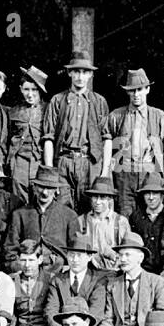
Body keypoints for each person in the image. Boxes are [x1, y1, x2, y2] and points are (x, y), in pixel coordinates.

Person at [42, 50, 110, 210]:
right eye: (76, 71)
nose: (80, 76)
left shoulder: (98, 101)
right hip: (63, 162)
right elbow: (48, 138)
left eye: (85, 72)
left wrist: (105, 171)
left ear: (90, 75)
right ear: (69, 73)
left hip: (89, 162)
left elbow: (106, 138)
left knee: (90, 209)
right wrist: (50, 171)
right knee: (61, 209)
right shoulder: (57, 100)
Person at [92, 232, 164, 326]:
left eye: (127, 254)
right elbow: (108, 318)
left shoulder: (156, 282)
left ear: (140, 258)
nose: (122, 259)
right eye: (120, 255)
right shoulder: (113, 284)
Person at [102, 68, 164, 217]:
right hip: (124, 175)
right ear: (127, 92)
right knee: (125, 216)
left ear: (147, 89)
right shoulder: (116, 116)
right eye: (132, 91)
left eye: (140, 90)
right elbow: (108, 143)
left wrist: (162, 175)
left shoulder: (159, 117)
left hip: (149, 174)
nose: (136, 94)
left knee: (150, 216)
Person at [2, 164, 79, 271]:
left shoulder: (69, 215)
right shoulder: (20, 214)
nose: (45, 192)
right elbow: (10, 249)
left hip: (58, 272)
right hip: (27, 270)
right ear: (34, 187)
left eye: (50, 187)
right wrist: (18, 267)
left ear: (57, 189)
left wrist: (68, 268)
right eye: (41, 186)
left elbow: (76, 249)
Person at [43, 234, 104, 326]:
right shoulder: (57, 280)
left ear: (89, 257)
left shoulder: (97, 281)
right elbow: (51, 309)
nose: (75, 260)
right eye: (71, 255)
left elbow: (96, 312)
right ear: (66, 255)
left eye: (79, 255)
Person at [6, 66, 48, 206]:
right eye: (26, 89)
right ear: (20, 89)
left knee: (40, 200)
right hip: (19, 164)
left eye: (34, 90)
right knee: (18, 202)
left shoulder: (48, 110)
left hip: (40, 163)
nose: (30, 94)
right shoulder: (13, 112)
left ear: (40, 91)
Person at [80, 175, 130, 271]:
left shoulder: (120, 222)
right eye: (95, 197)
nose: (98, 202)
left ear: (110, 199)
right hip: (88, 272)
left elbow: (126, 252)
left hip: (112, 273)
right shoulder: (81, 221)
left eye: (102, 197)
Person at [128, 173, 164, 273]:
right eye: (147, 193)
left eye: (155, 193)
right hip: (142, 271)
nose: (151, 197)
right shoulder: (136, 217)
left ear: (161, 195)